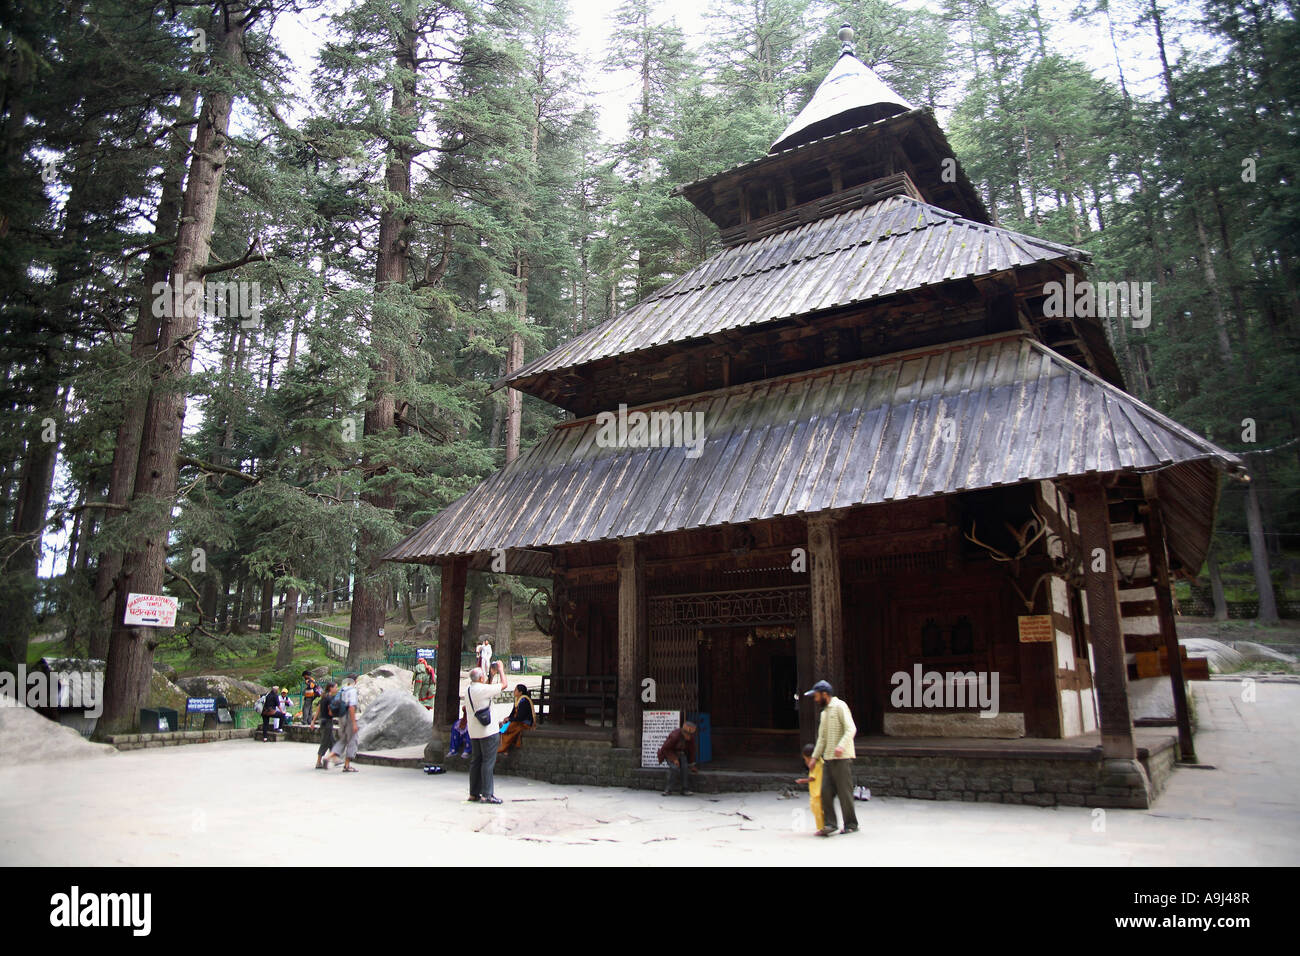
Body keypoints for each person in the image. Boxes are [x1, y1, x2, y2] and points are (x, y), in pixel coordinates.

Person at [805, 679, 857, 836]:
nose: (815, 699)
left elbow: (851, 728)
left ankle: (851, 824)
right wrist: (814, 757)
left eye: (816, 695)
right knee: (825, 792)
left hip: (842, 758)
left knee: (844, 793)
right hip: (828, 758)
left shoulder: (840, 706)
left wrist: (841, 745)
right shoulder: (825, 713)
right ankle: (830, 824)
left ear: (824, 694)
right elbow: (821, 739)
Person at [463, 660, 509, 803]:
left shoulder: (469, 690)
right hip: (488, 732)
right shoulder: (482, 690)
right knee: (488, 763)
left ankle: (474, 793)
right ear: (481, 679)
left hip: (474, 732)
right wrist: (500, 670)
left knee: (476, 761)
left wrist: (491, 675)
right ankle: (487, 794)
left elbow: (485, 688)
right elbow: (504, 685)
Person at [323, 674, 360, 772]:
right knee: (353, 739)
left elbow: (332, 706)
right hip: (348, 716)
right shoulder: (352, 691)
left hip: (341, 717)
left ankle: (328, 757)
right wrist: (354, 723)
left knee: (343, 739)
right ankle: (347, 765)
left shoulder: (342, 690)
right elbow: (352, 707)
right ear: (354, 681)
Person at [657, 720, 698, 796]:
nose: (690, 737)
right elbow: (665, 749)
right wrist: (674, 759)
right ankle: (668, 789)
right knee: (674, 768)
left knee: (685, 768)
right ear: (684, 733)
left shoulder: (691, 738)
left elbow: (692, 751)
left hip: (681, 754)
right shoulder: (675, 736)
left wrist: (692, 765)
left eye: (691, 735)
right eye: (688, 735)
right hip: (669, 753)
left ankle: (685, 789)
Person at [794, 743, 825, 832]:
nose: (805, 762)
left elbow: (812, 778)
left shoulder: (814, 765)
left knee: (816, 810)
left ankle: (821, 828)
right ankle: (823, 826)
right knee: (820, 810)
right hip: (821, 790)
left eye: (805, 759)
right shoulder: (821, 762)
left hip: (816, 792)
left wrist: (802, 781)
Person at [497, 684, 535, 755]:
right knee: (503, 728)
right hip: (517, 720)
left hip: (524, 722)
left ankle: (503, 748)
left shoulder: (524, 701)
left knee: (507, 729)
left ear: (520, 692)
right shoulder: (518, 699)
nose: (514, 691)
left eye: (515, 690)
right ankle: (504, 748)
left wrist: (510, 719)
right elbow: (513, 712)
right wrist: (508, 718)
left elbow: (521, 717)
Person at [314, 681, 338, 769]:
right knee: (325, 742)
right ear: (331, 688)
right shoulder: (330, 698)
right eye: (335, 687)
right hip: (327, 721)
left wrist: (313, 721)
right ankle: (319, 762)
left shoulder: (323, 697)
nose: (337, 689)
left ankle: (336, 759)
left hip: (322, 720)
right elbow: (330, 711)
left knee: (332, 740)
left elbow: (318, 709)